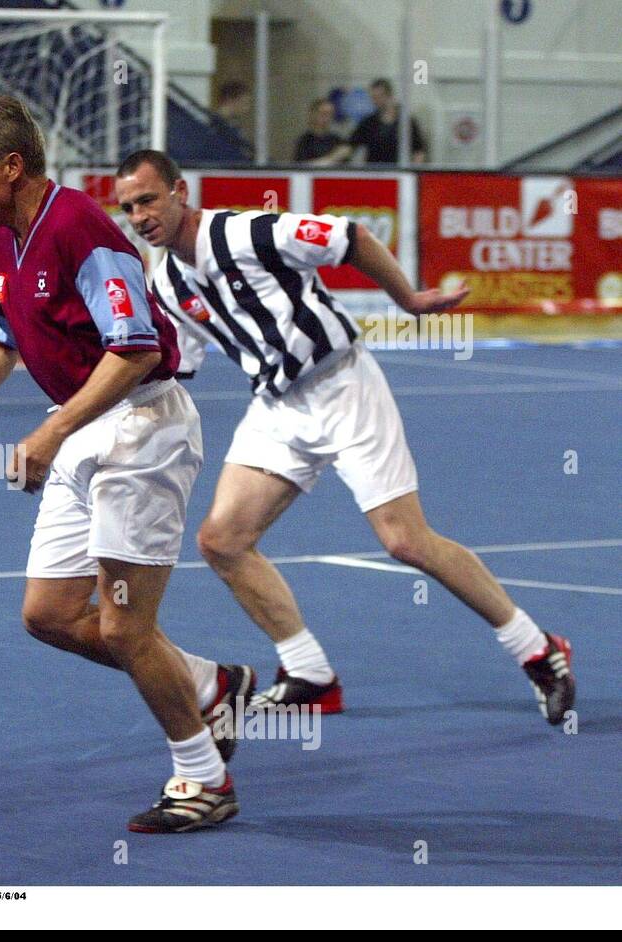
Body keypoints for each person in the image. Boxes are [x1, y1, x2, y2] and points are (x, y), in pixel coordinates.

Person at [112, 149, 576, 725]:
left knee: (405, 540)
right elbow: (177, 363)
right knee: (222, 540)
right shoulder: (166, 280)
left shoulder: (249, 231)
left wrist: (407, 299)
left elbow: (348, 237)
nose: (139, 216)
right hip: (278, 407)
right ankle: (310, 674)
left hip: (343, 385)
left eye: (148, 200)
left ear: (180, 191)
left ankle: (538, 649)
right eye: (128, 208)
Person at [0, 95, 255, 835]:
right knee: (48, 614)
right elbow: (3, 337)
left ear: (11, 168)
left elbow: (135, 349)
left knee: (126, 624)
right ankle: (210, 683)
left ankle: (204, 778)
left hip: (143, 430)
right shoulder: (2, 235)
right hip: (84, 428)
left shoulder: (80, 227)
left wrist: (52, 433)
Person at [345, 78, 427, 165]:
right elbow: (349, 146)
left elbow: (419, 151)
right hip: (374, 173)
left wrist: (413, 172)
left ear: (389, 96)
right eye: (373, 98)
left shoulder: (406, 122)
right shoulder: (369, 122)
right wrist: (329, 161)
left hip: (399, 172)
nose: (375, 101)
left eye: (378, 97)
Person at [292, 98, 344, 164]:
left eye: (330, 114)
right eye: (323, 113)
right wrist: (331, 159)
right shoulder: (304, 141)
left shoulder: (338, 140)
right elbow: (301, 166)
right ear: (313, 114)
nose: (326, 118)